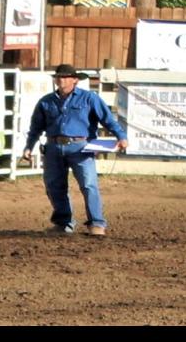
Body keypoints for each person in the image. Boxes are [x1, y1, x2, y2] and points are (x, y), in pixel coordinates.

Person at [22, 64, 129, 237]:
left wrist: (121, 136)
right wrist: (29, 146)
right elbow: (36, 127)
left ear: (75, 80)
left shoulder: (89, 98)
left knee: (88, 185)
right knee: (54, 186)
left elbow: (107, 119)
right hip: (53, 146)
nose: (61, 80)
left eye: (65, 77)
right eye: (58, 77)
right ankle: (64, 223)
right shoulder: (46, 101)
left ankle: (96, 223)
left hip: (81, 147)